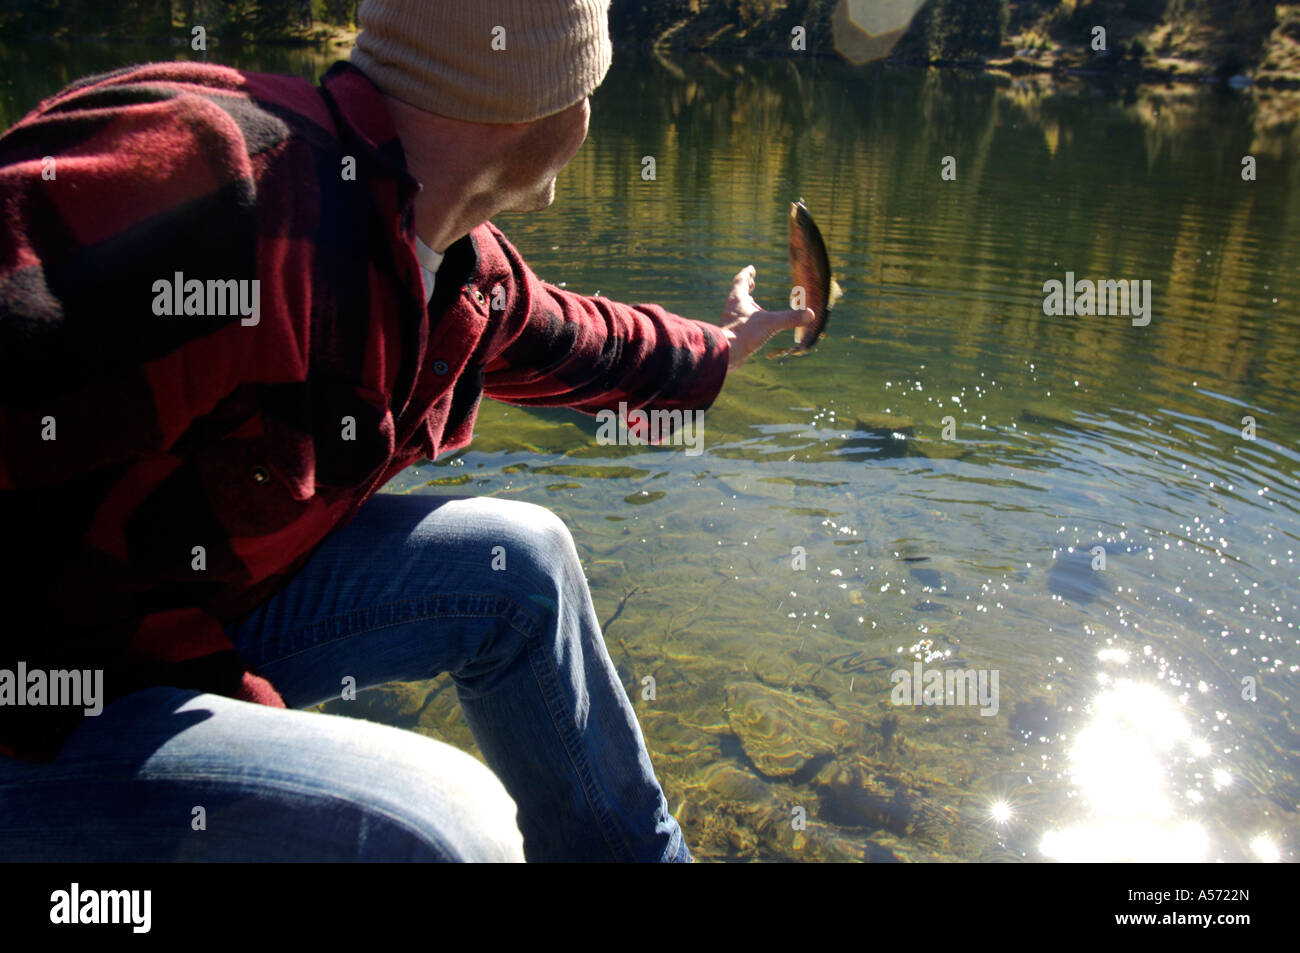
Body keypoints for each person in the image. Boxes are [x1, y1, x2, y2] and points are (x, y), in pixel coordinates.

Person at [0, 0, 812, 862]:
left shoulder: (443, 257)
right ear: (530, 102)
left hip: (179, 616)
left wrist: (718, 350)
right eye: (588, 89)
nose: (590, 116)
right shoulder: (213, 173)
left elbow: (586, 343)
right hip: (42, 709)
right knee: (437, 827)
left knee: (519, 563)